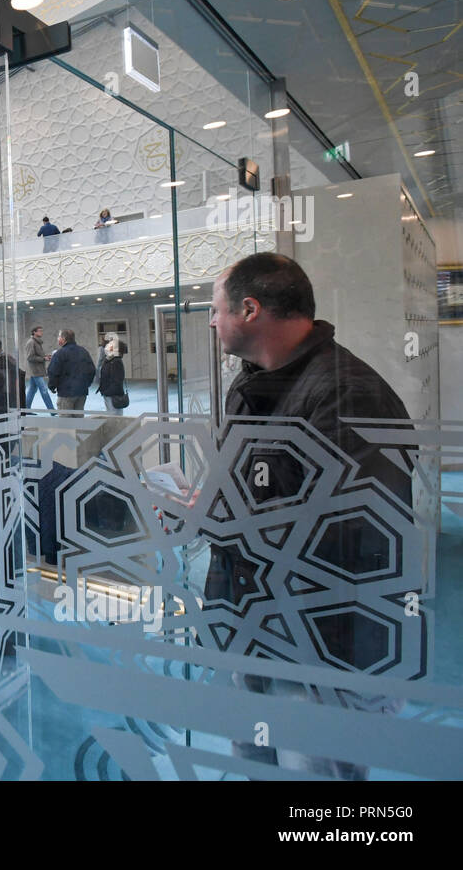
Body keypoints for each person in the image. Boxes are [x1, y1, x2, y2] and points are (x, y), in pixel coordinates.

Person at [207, 252, 412, 779]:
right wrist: (205, 507)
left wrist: (230, 523)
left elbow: (357, 538)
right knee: (256, 762)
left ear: (249, 310)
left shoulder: (350, 395)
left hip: (322, 646)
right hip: (254, 620)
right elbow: (248, 486)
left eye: (216, 310)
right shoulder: (249, 386)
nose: (211, 322)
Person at [46, 329, 94, 414]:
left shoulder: (59, 354)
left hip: (66, 393)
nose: (57, 338)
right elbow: (92, 370)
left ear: (63, 339)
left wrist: (52, 386)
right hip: (81, 392)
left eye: (59, 336)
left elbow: (53, 372)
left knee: (66, 422)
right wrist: (86, 384)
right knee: (78, 420)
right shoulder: (83, 351)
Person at [24, 326, 54, 411]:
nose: (41, 332)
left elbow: (37, 355)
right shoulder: (31, 342)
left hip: (37, 370)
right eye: (40, 331)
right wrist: (43, 358)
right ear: (34, 332)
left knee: (32, 390)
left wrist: (45, 356)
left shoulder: (37, 342)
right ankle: (52, 410)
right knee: (44, 390)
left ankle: (26, 409)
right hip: (36, 371)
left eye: (42, 331)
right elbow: (30, 357)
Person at [96, 339, 126, 414]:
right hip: (108, 393)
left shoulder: (115, 361)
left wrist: (108, 391)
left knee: (114, 414)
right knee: (111, 414)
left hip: (113, 395)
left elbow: (117, 381)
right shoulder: (109, 360)